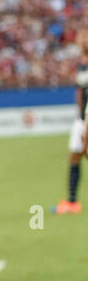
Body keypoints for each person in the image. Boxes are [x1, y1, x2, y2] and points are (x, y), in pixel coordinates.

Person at [57, 64, 88, 215]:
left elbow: (80, 95)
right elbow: (79, 94)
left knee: (76, 157)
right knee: (74, 158)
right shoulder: (82, 68)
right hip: (82, 120)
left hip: (84, 120)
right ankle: (72, 201)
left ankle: (72, 201)